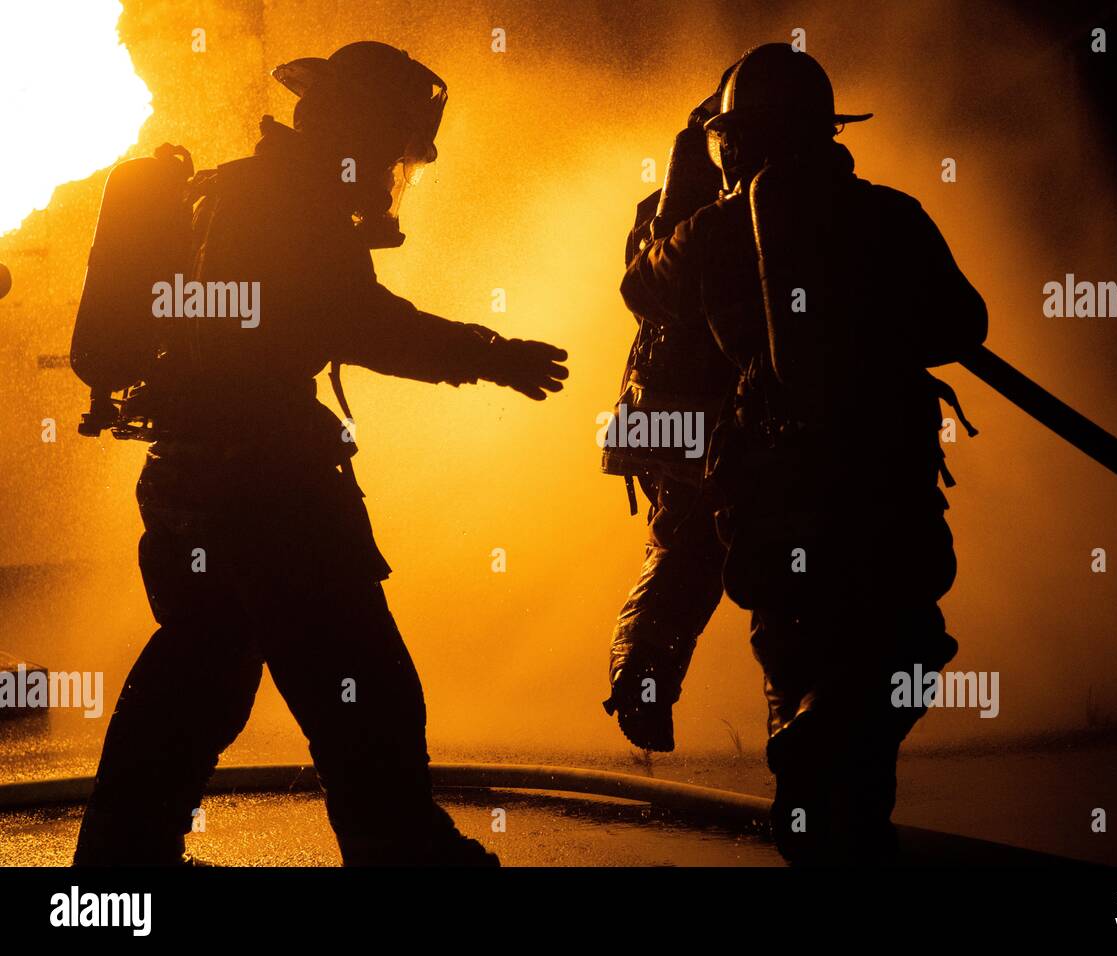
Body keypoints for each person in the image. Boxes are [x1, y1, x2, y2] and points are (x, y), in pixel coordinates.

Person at [73, 41, 567, 866]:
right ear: (356, 134)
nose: (391, 174)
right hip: (273, 497)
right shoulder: (290, 208)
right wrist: (488, 353)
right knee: (363, 686)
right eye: (390, 150)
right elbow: (360, 321)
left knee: (196, 677)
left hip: (187, 485)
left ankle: (119, 869)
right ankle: (403, 852)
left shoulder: (228, 190)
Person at [620, 43, 987, 864]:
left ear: (735, 141)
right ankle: (834, 754)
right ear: (827, 131)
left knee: (797, 653)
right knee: (900, 645)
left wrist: (685, 181)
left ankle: (811, 757)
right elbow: (965, 325)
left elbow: (643, 290)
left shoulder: (708, 233)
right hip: (886, 483)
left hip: (777, 489)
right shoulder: (893, 216)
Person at [601, 67, 739, 753]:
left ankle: (642, 677)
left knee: (687, 548)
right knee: (698, 547)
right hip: (696, 419)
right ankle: (642, 679)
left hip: (659, 417)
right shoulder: (714, 224)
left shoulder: (664, 218)